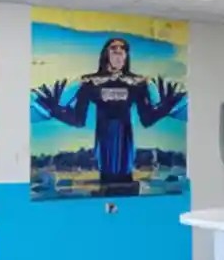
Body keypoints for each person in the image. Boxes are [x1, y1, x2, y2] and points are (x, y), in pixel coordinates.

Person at [31, 37, 186, 193]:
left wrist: (167, 105)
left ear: (127, 56)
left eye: (123, 50)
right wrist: (54, 108)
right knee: (107, 180)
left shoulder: (138, 83)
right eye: (114, 50)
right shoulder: (90, 82)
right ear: (106, 54)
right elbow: (78, 119)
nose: (119, 54)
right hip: (104, 138)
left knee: (125, 178)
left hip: (125, 138)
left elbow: (147, 118)